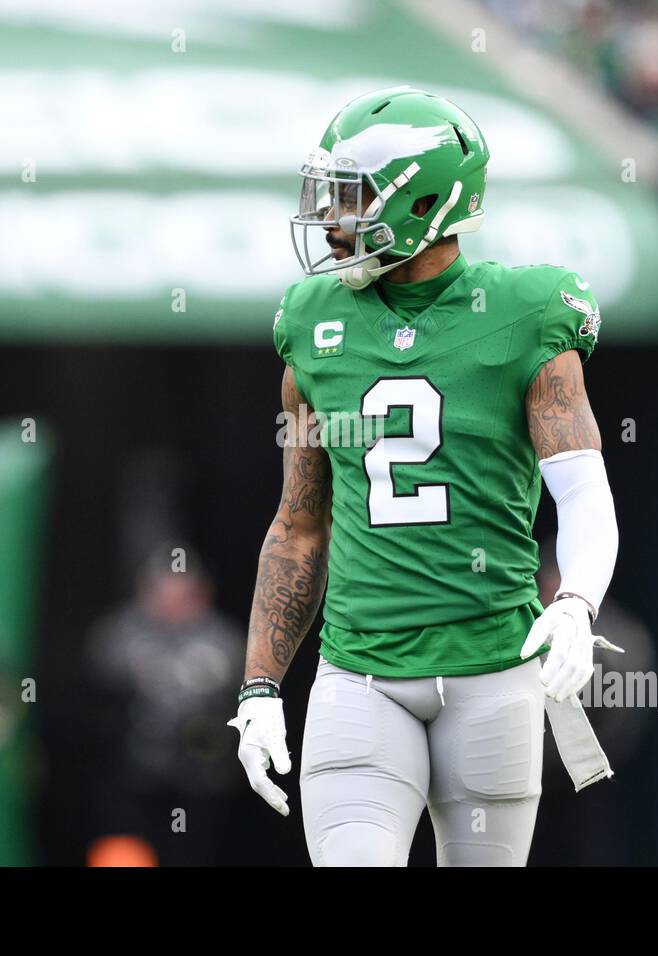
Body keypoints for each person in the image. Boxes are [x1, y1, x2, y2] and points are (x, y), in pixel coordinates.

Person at [228, 87, 622, 866]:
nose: (331, 221)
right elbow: (300, 524)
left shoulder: (526, 311)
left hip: (495, 674)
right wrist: (259, 687)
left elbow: (583, 491)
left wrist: (576, 604)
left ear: (426, 201)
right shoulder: (312, 323)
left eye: (352, 198)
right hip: (360, 672)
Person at [85, 547, 244, 865]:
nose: (170, 602)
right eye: (161, 591)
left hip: (198, 782)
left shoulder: (223, 640)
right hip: (136, 779)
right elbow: (97, 692)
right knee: (124, 851)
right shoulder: (121, 636)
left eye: (181, 593)